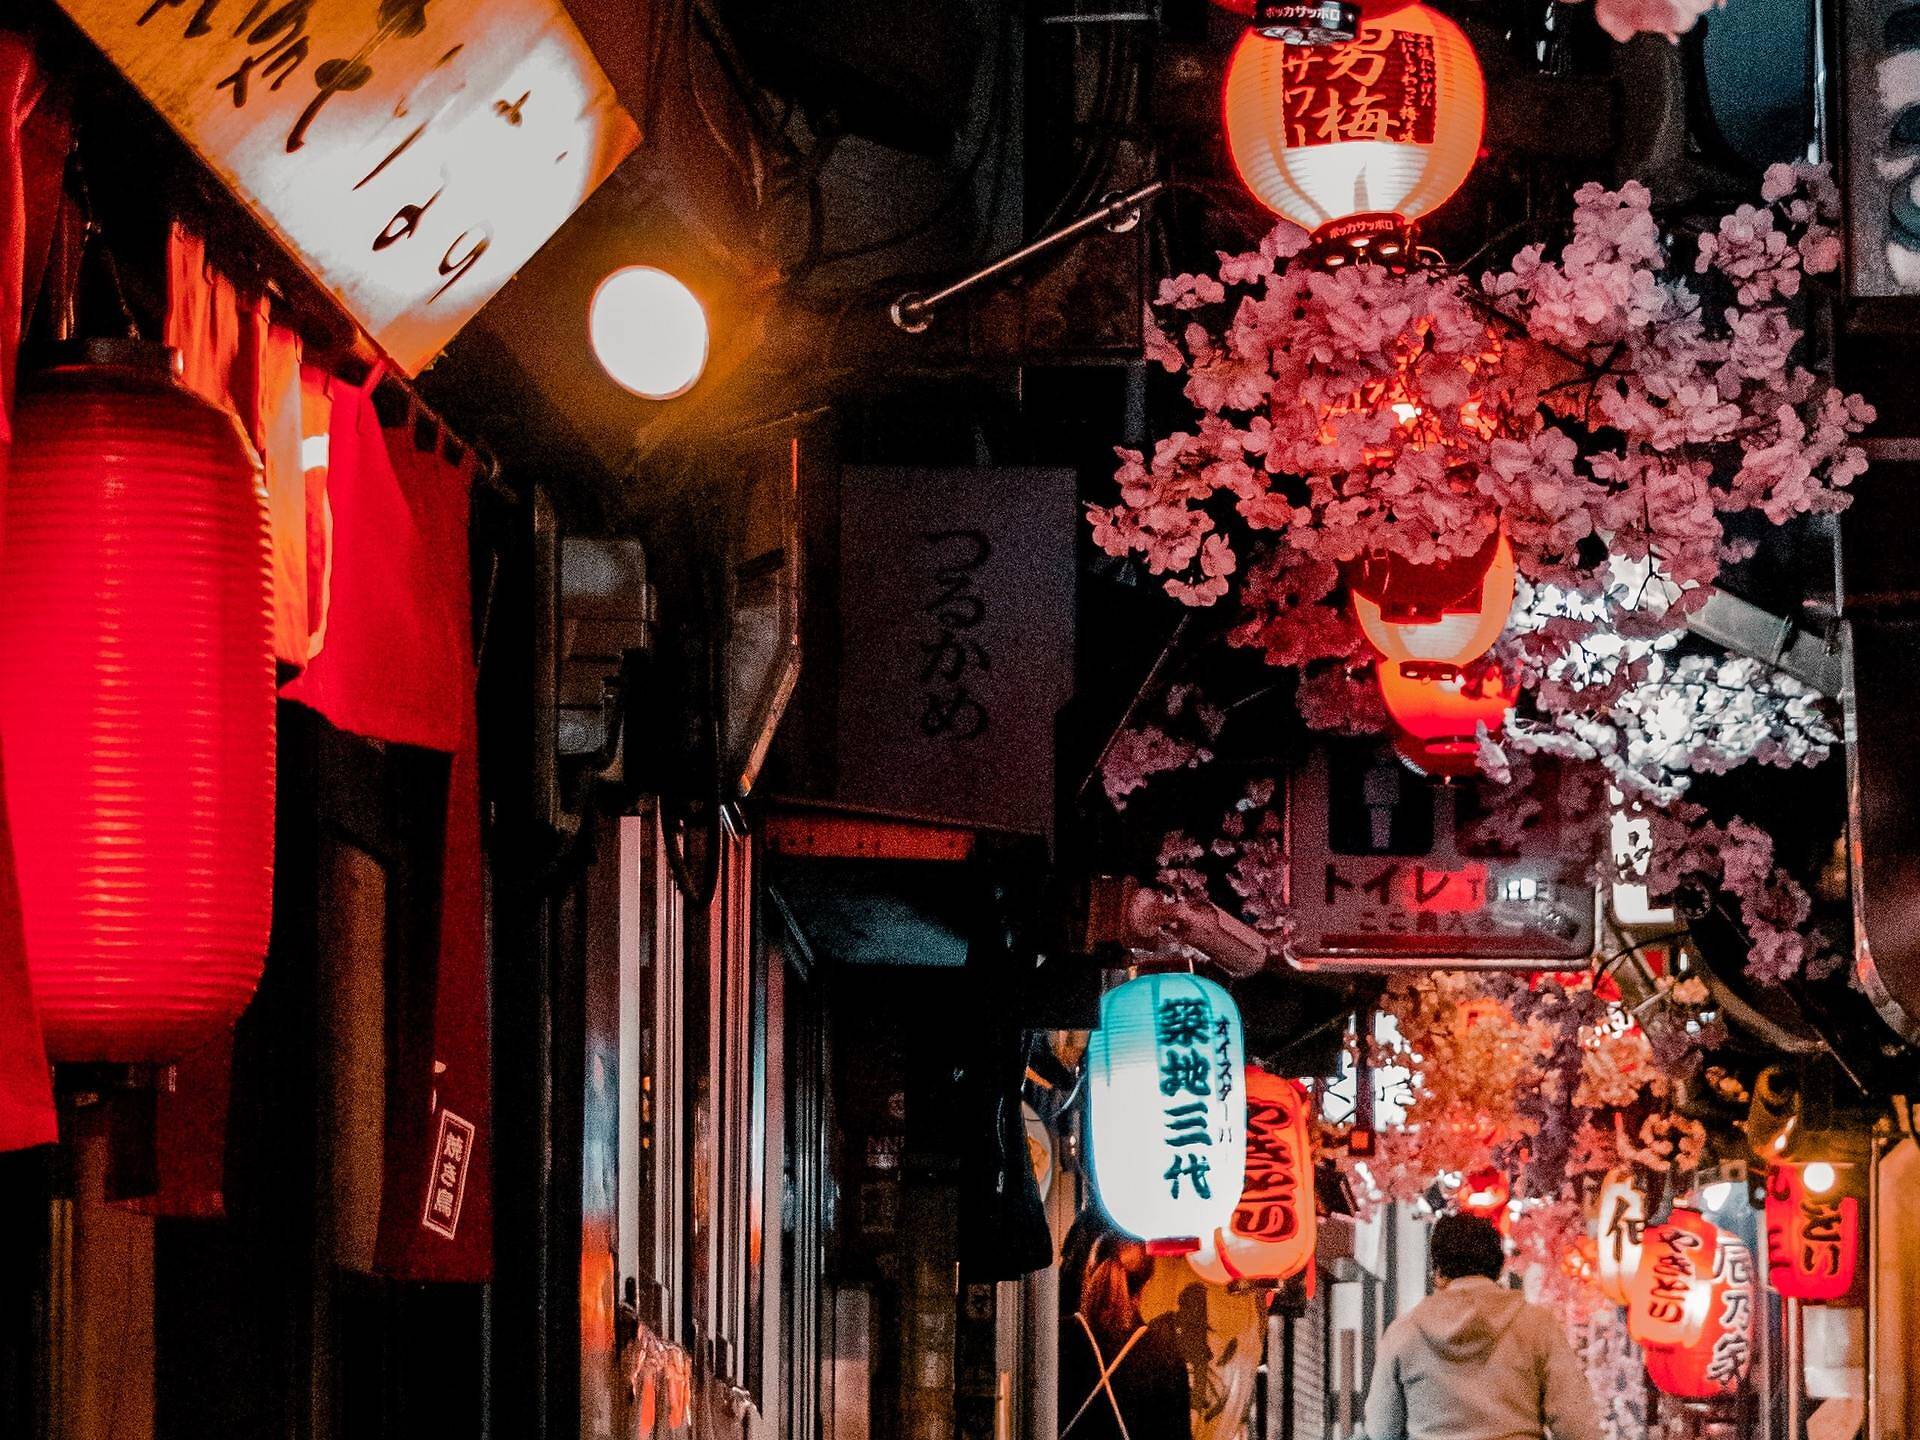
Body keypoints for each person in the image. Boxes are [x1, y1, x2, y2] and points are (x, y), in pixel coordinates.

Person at [1361, 1212, 1602, 1440]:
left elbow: (1381, 1429)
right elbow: (1576, 1425)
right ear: (1499, 1268)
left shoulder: (1404, 1332)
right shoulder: (1537, 1326)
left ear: (1437, 1271)